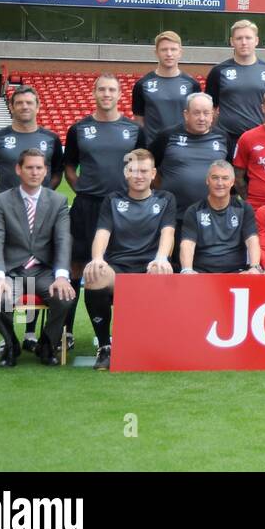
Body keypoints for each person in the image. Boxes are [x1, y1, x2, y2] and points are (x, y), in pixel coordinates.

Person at [63, 73, 145, 348]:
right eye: (102, 89)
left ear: (119, 94)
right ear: (94, 93)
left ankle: (113, 334)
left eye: (111, 90)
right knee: (77, 264)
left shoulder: (133, 130)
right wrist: (83, 189)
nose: (106, 94)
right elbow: (69, 167)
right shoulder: (79, 129)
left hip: (123, 208)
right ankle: (67, 330)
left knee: (116, 266)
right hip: (87, 206)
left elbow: (142, 165)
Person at [83, 149, 177, 371]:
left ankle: (152, 345)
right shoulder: (113, 200)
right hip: (119, 270)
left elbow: (168, 232)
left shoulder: (165, 199)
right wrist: (97, 258)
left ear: (153, 173)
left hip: (150, 268)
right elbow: (102, 233)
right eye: (133, 171)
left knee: (161, 273)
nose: (139, 176)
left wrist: (162, 258)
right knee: (95, 276)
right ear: (126, 173)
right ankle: (105, 347)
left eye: (144, 171)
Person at [0, 148, 76, 367]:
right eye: (29, 167)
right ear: (19, 169)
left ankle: (47, 344)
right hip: (12, 271)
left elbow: (63, 239)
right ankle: (11, 344)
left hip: (43, 271)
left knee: (65, 298)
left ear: (46, 171)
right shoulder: (1, 201)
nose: (34, 172)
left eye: (39, 168)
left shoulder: (58, 201)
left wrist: (62, 275)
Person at [205, 19, 265, 150]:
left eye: (248, 38)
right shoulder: (218, 71)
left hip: (261, 139)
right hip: (227, 139)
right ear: (232, 41)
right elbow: (211, 109)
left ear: (256, 41)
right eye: (239, 38)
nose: (244, 42)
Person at [149, 92, 230, 218]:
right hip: (172, 215)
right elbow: (149, 169)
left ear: (213, 115)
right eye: (196, 113)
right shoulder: (167, 136)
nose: (202, 118)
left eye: (206, 113)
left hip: (212, 215)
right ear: (186, 115)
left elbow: (231, 172)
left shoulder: (223, 138)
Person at [178, 161, 261, 275]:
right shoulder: (194, 210)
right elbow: (188, 243)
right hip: (201, 273)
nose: (220, 183)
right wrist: (187, 269)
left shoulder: (244, 208)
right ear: (207, 180)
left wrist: (255, 266)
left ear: (232, 182)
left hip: (236, 272)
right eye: (215, 178)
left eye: (225, 178)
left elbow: (252, 239)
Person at [0, 85, 62, 195]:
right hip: (7, 209)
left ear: (38, 106)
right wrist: (3, 200)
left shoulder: (52, 138)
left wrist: (43, 196)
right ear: (11, 107)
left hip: (41, 208)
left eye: (29, 102)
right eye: (19, 103)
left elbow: (57, 174)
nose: (24, 107)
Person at [132, 30, 201, 145]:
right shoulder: (142, 85)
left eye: (173, 49)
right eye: (164, 50)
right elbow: (139, 121)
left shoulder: (192, 84)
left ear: (180, 52)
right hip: (152, 148)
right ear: (156, 53)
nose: (169, 54)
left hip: (183, 146)